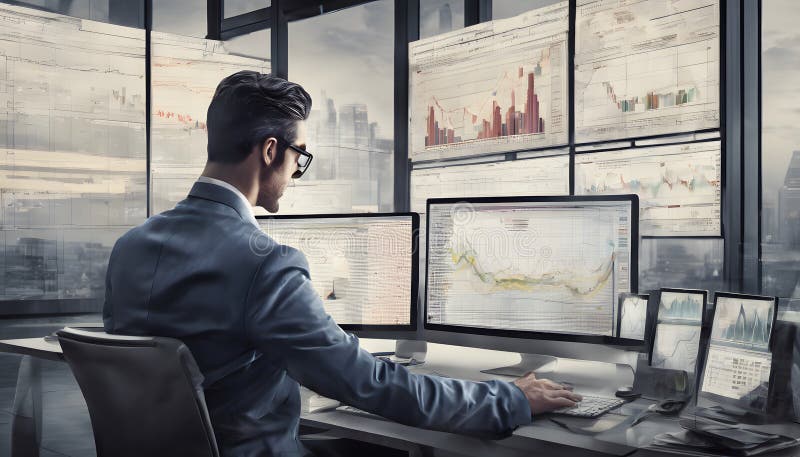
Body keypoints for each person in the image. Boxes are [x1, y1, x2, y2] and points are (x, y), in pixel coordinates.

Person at [103, 71, 581, 457]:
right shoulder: (265, 264)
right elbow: (369, 383)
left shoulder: (130, 247)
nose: (296, 171)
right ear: (270, 151)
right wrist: (509, 398)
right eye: (299, 156)